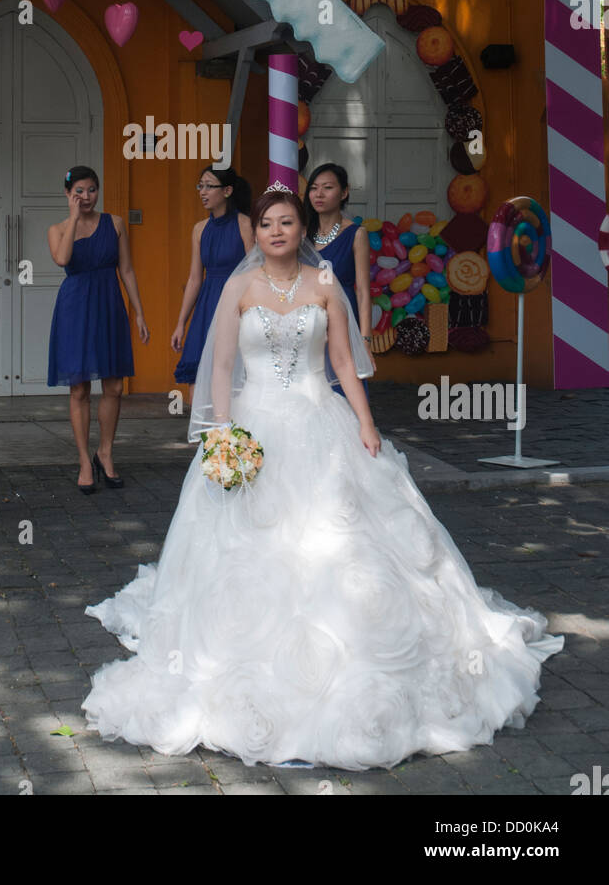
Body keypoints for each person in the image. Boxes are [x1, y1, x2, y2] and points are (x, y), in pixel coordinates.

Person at [80, 185, 563, 770]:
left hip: (319, 422)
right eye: (266, 224)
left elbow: (340, 362)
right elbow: (224, 367)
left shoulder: (325, 285)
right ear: (255, 234)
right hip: (254, 427)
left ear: (302, 230)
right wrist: (223, 434)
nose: (276, 232)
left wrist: (365, 422)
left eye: (287, 222)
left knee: (350, 535)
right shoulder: (239, 285)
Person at [47, 167, 149, 494]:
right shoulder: (57, 229)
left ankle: (105, 452)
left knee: (114, 386)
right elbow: (62, 259)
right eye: (79, 191)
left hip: (109, 304)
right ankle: (83, 461)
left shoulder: (115, 223)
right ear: (67, 194)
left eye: (91, 190)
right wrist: (75, 218)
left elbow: (127, 270)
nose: (86, 197)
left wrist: (139, 313)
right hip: (75, 308)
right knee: (78, 389)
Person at [170, 166, 253, 401]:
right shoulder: (199, 229)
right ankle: (202, 436)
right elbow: (195, 278)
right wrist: (180, 323)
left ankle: (231, 435)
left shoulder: (245, 224)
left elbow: (256, 273)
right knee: (196, 371)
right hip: (207, 304)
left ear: (227, 191)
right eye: (200, 186)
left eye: (209, 186)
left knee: (233, 371)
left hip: (237, 305)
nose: (202, 192)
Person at [304, 163, 373, 395]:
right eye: (314, 188)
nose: (319, 194)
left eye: (327, 187)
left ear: (344, 192)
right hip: (308, 320)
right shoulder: (301, 234)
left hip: (343, 318)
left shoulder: (356, 234)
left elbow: (363, 291)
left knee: (344, 387)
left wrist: (364, 340)